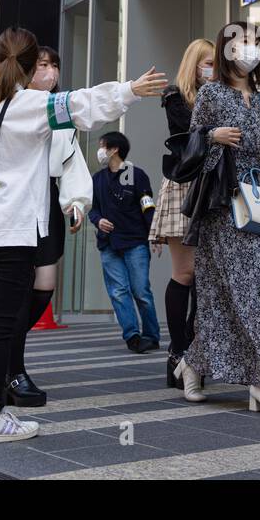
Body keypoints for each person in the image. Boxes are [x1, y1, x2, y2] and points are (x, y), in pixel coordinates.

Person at [0, 27, 165, 445]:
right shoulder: (33, 105)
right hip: (15, 230)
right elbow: (85, 105)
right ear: (28, 62)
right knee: (0, 327)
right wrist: (131, 89)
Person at [174, 22, 260, 414]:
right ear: (225, 49)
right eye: (242, 43)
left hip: (255, 208)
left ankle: (192, 361)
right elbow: (187, 154)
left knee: (227, 297)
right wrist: (211, 138)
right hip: (221, 209)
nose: (250, 49)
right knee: (255, 290)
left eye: (255, 42)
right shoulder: (211, 94)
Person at [3, 45, 92, 407]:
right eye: (42, 65)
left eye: (54, 65)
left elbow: (71, 161)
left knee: (44, 286)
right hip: (14, 203)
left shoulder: (60, 112)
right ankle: (11, 369)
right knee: (12, 292)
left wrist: (76, 203)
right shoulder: (10, 105)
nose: (50, 72)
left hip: (48, 202)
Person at [150, 38, 214, 388]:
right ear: (194, 64)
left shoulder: (222, 97)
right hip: (184, 188)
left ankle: (193, 355)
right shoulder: (175, 97)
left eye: (217, 64)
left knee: (205, 277)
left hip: (214, 191)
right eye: (207, 63)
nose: (213, 70)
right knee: (185, 272)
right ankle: (178, 351)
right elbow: (189, 136)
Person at [90, 131, 161, 354]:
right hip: (108, 244)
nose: (100, 150)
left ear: (114, 149)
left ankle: (151, 335)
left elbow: (147, 206)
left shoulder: (137, 175)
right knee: (119, 292)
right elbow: (93, 209)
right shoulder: (97, 179)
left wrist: (154, 234)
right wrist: (98, 220)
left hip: (135, 242)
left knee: (141, 291)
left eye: (103, 146)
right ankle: (132, 336)